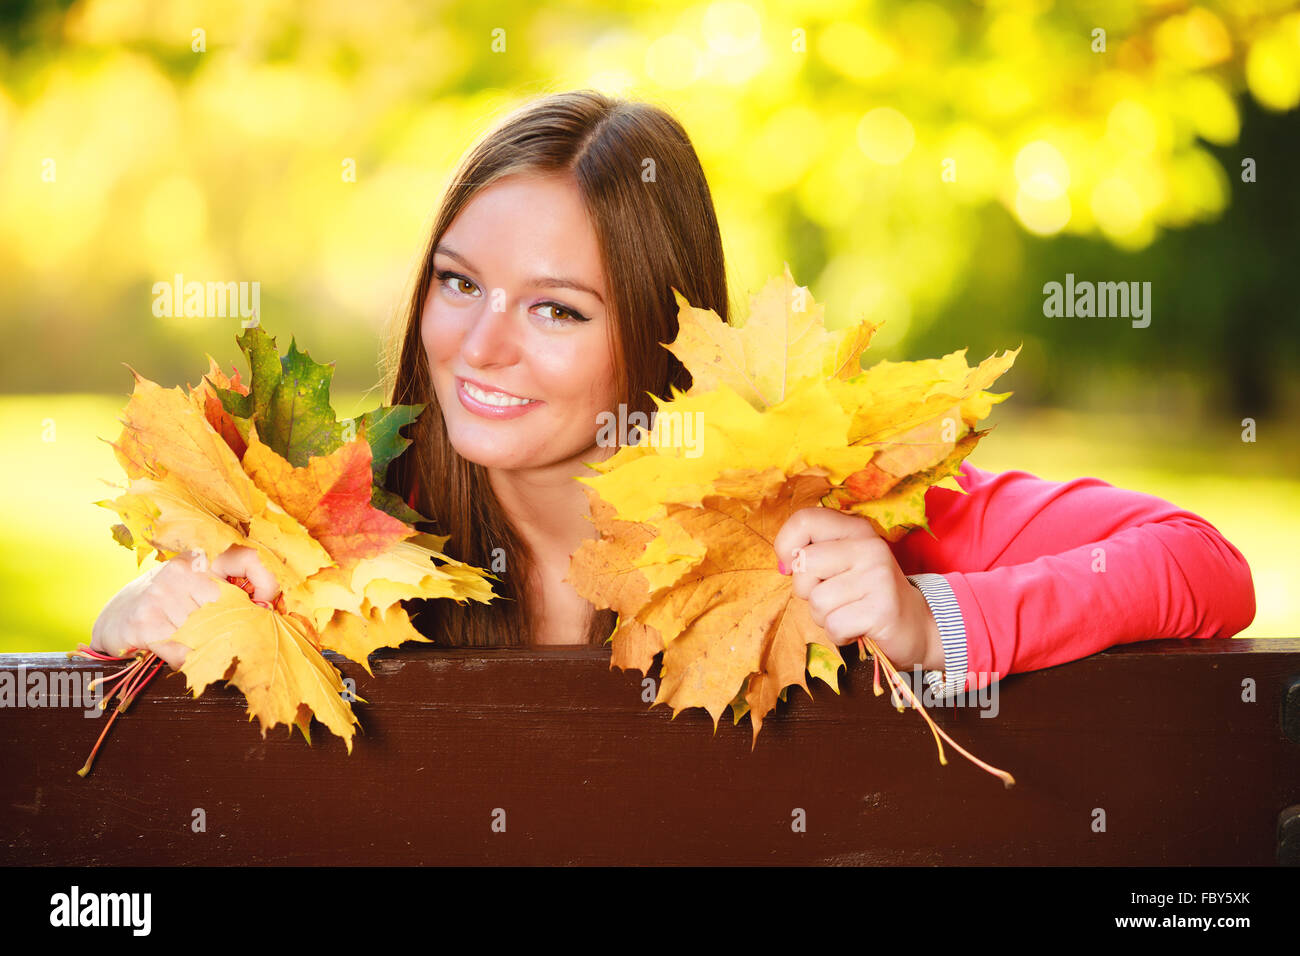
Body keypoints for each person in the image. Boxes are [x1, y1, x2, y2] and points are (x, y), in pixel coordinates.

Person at [91, 90, 1256, 698]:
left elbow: (1199, 561)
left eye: (557, 307)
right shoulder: (340, 539)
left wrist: (929, 620)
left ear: (648, 340)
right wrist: (134, 624)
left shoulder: (806, 513)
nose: (481, 345)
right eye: (459, 282)